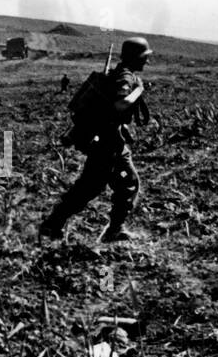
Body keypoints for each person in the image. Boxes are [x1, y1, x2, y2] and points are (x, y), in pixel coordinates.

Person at [40, 37, 152, 243]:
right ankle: (110, 230)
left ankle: (53, 225)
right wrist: (139, 90)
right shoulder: (126, 77)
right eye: (145, 57)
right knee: (110, 185)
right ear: (136, 58)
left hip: (108, 140)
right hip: (109, 143)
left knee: (98, 186)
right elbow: (120, 104)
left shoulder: (119, 74)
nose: (147, 62)